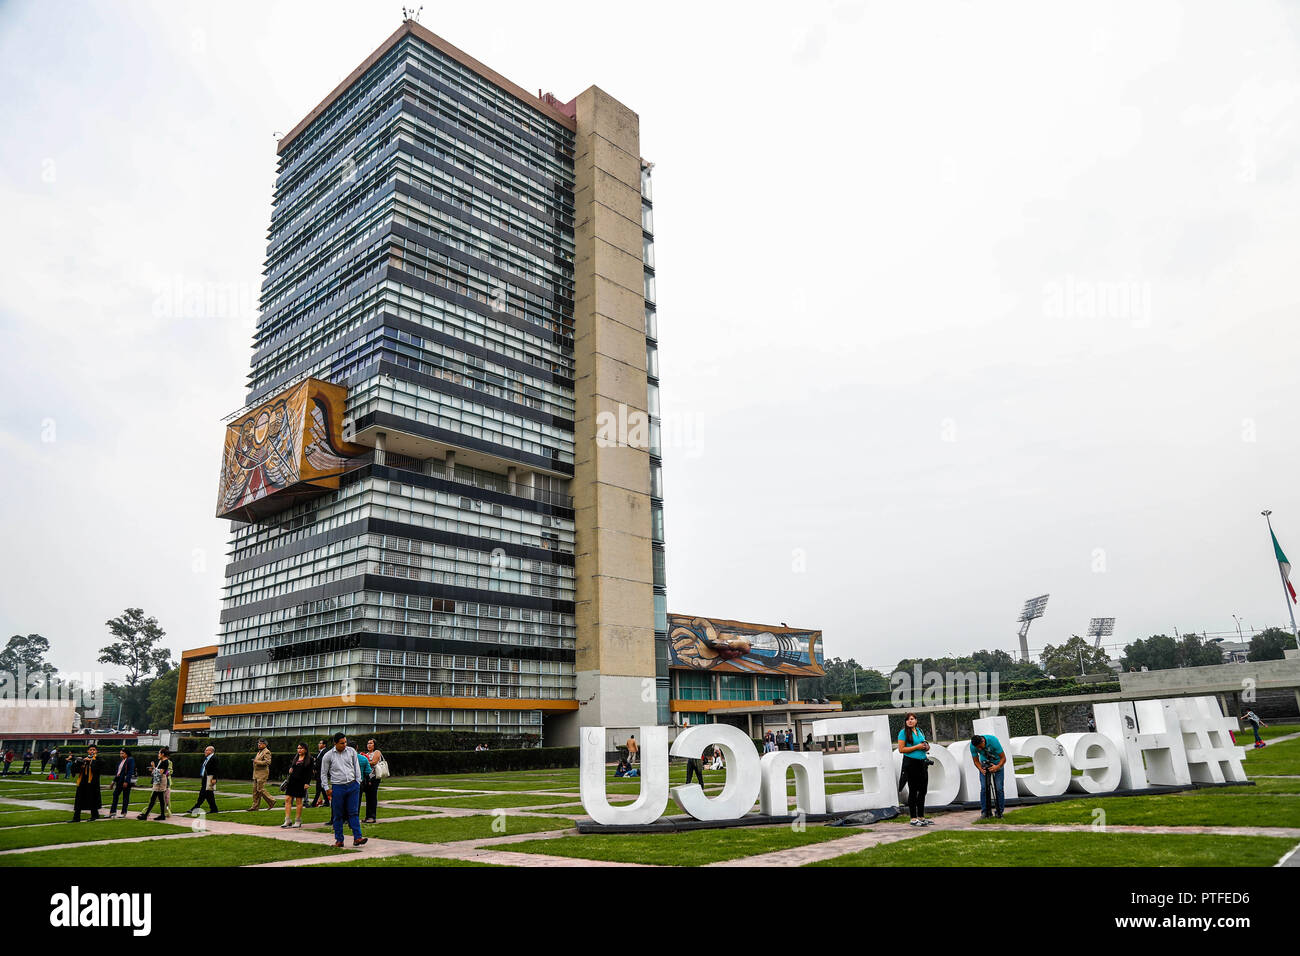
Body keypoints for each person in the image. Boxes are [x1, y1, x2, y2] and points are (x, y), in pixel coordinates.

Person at [320, 732, 367, 848]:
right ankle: (339, 840)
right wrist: (326, 788)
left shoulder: (351, 751)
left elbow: (356, 767)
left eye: (345, 742)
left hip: (352, 786)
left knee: (353, 812)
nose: (344, 745)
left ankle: (357, 838)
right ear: (335, 743)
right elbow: (323, 774)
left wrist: (358, 781)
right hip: (338, 787)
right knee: (338, 814)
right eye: (342, 743)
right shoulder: (328, 756)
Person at [897, 713, 933, 827]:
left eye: (912, 719)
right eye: (907, 720)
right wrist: (916, 747)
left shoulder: (919, 731)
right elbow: (901, 749)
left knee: (923, 790)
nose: (910, 721)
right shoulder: (903, 733)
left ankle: (921, 817)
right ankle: (913, 818)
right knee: (913, 790)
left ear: (916, 720)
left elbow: (925, 744)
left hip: (922, 762)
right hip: (911, 763)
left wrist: (927, 747)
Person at [969, 734, 1007, 819]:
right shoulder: (972, 746)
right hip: (984, 764)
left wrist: (997, 767)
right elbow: (975, 761)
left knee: (999, 788)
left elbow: (1003, 758)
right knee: (984, 788)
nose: (979, 749)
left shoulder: (993, 741)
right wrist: (980, 769)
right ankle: (985, 812)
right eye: (977, 747)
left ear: (983, 741)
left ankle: (999, 812)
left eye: (980, 746)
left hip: (997, 763)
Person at [281, 743, 314, 828]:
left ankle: (298, 820)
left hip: (301, 782)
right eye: (298, 748)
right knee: (287, 799)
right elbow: (292, 768)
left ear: (305, 749)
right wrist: (290, 769)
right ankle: (287, 820)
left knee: (299, 801)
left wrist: (307, 783)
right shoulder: (296, 758)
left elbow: (310, 772)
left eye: (301, 748)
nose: (299, 750)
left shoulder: (309, 759)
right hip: (292, 781)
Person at [137, 748, 173, 820]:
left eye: (159, 753)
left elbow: (161, 772)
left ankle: (146, 815)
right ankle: (162, 815)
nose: (158, 755)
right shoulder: (162, 761)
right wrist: (154, 769)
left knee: (154, 798)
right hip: (159, 781)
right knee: (160, 799)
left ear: (162, 754)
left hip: (160, 782)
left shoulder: (165, 762)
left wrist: (153, 767)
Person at [70, 747, 102, 822]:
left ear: (96, 751)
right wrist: (77, 761)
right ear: (87, 751)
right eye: (90, 750)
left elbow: (99, 766)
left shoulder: (99, 759)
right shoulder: (84, 759)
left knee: (92, 799)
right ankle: (76, 817)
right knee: (79, 800)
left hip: (93, 783)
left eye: (94, 750)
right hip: (82, 782)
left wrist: (91, 761)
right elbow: (75, 769)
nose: (92, 751)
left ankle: (94, 815)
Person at [186, 746, 219, 816]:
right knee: (209, 795)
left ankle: (195, 808)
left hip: (210, 778)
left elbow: (216, 769)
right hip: (205, 778)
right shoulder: (207, 758)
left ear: (211, 751)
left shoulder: (214, 758)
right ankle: (214, 809)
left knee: (203, 794)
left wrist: (214, 779)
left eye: (206, 750)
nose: (205, 751)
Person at [248, 738, 275, 811]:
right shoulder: (259, 752)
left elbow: (268, 762)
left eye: (260, 743)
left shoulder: (267, 752)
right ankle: (255, 806)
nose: (258, 744)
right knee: (255, 791)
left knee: (260, 789)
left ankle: (272, 800)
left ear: (265, 744)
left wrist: (257, 762)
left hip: (262, 774)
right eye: (258, 743)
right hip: (256, 774)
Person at [361, 739, 384, 824]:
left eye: (371, 743)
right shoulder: (366, 754)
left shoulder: (377, 752)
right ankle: (367, 816)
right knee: (368, 797)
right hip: (367, 777)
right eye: (368, 743)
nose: (369, 745)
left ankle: (372, 816)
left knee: (372, 796)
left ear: (374, 745)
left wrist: (364, 762)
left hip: (374, 777)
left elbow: (374, 762)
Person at [108, 748, 135, 818]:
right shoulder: (121, 761)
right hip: (119, 781)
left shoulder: (130, 759)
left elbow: (130, 771)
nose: (121, 755)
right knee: (115, 795)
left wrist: (126, 781)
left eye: (122, 753)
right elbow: (118, 773)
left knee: (125, 797)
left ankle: (124, 813)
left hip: (126, 781)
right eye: (120, 753)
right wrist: (113, 782)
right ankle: (113, 812)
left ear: (126, 753)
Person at [310, 740, 330, 808]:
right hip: (319, 772)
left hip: (322, 773)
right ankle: (327, 802)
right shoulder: (320, 752)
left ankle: (313, 804)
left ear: (324, 745)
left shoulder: (325, 752)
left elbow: (322, 762)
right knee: (321, 789)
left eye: (320, 743)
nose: (319, 744)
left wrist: (315, 763)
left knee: (318, 789)